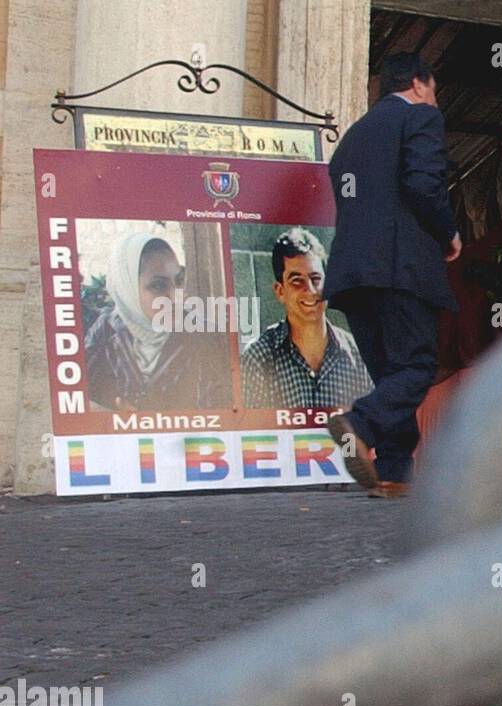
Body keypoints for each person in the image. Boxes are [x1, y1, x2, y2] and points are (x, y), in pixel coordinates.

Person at [324, 51, 462, 498]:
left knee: (392, 374)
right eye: (435, 90)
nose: (435, 100)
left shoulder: (353, 136)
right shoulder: (420, 117)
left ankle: (393, 473)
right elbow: (424, 186)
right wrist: (448, 233)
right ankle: (358, 424)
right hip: (400, 268)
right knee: (416, 366)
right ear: (420, 84)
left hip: (352, 274)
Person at [85, 232, 230, 412]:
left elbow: (218, 414)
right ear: (127, 288)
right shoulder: (106, 329)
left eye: (178, 281)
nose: (176, 297)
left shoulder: (205, 334)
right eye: (158, 286)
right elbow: (74, 398)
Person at [241, 228, 371, 409]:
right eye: (296, 281)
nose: (309, 290)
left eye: (315, 278)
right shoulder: (259, 358)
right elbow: (253, 432)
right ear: (280, 291)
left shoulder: (359, 356)